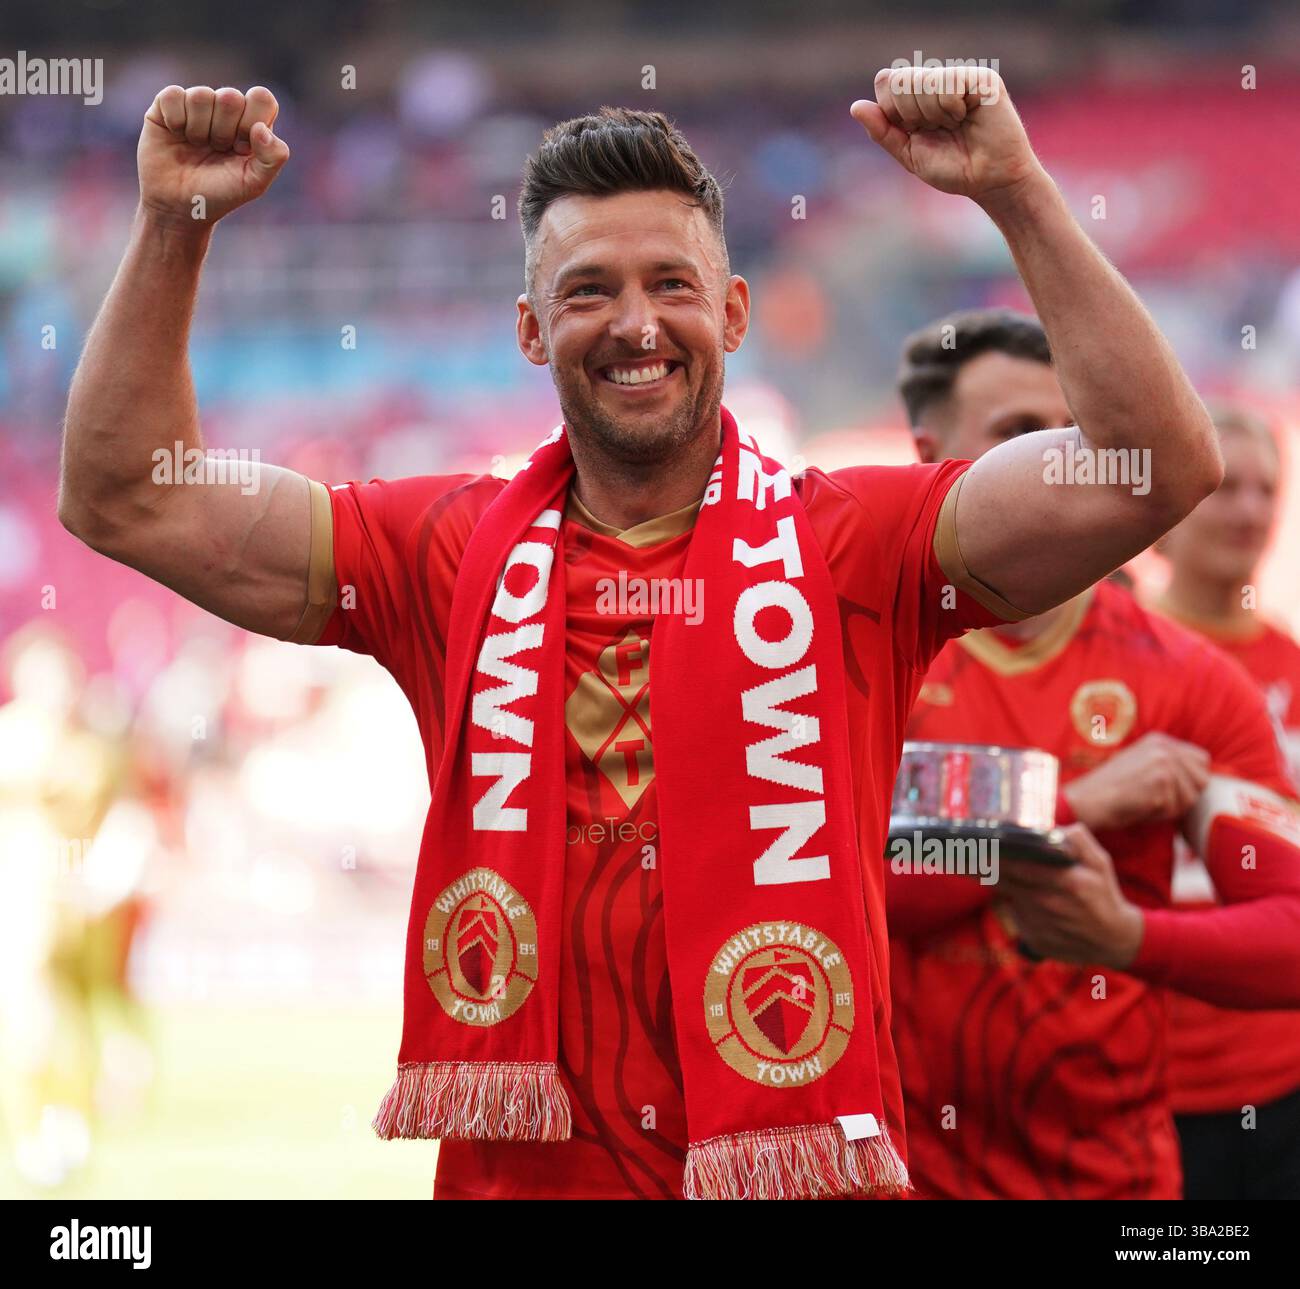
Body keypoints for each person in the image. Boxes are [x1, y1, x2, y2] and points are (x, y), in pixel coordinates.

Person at [60, 70, 1223, 1201]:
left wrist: (1014, 186)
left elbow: (1155, 468)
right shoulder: (435, 548)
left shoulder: (856, 541)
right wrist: (175, 222)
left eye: (672, 283)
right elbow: (128, 497)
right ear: (528, 327)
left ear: (731, 311)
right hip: (530, 1178)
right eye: (585, 291)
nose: (633, 324)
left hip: (790, 1174)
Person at [887, 309, 1300, 1199]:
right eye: (1016, 436)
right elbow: (861, 890)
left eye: (1069, 436)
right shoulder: (867, 654)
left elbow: (1293, 934)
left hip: (1120, 1186)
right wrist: (1069, 805)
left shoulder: (1186, 679)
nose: (1054, 465)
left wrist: (1130, 938)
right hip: (906, 1174)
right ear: (928, 458)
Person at [1149, 407, 1300, 1199]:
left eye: (1266, 489)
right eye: (1226, 487)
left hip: (1282, 1073)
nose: (1250, 509)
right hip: (1148, 1079)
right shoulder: (1120, 656)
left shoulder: (1291, 661)